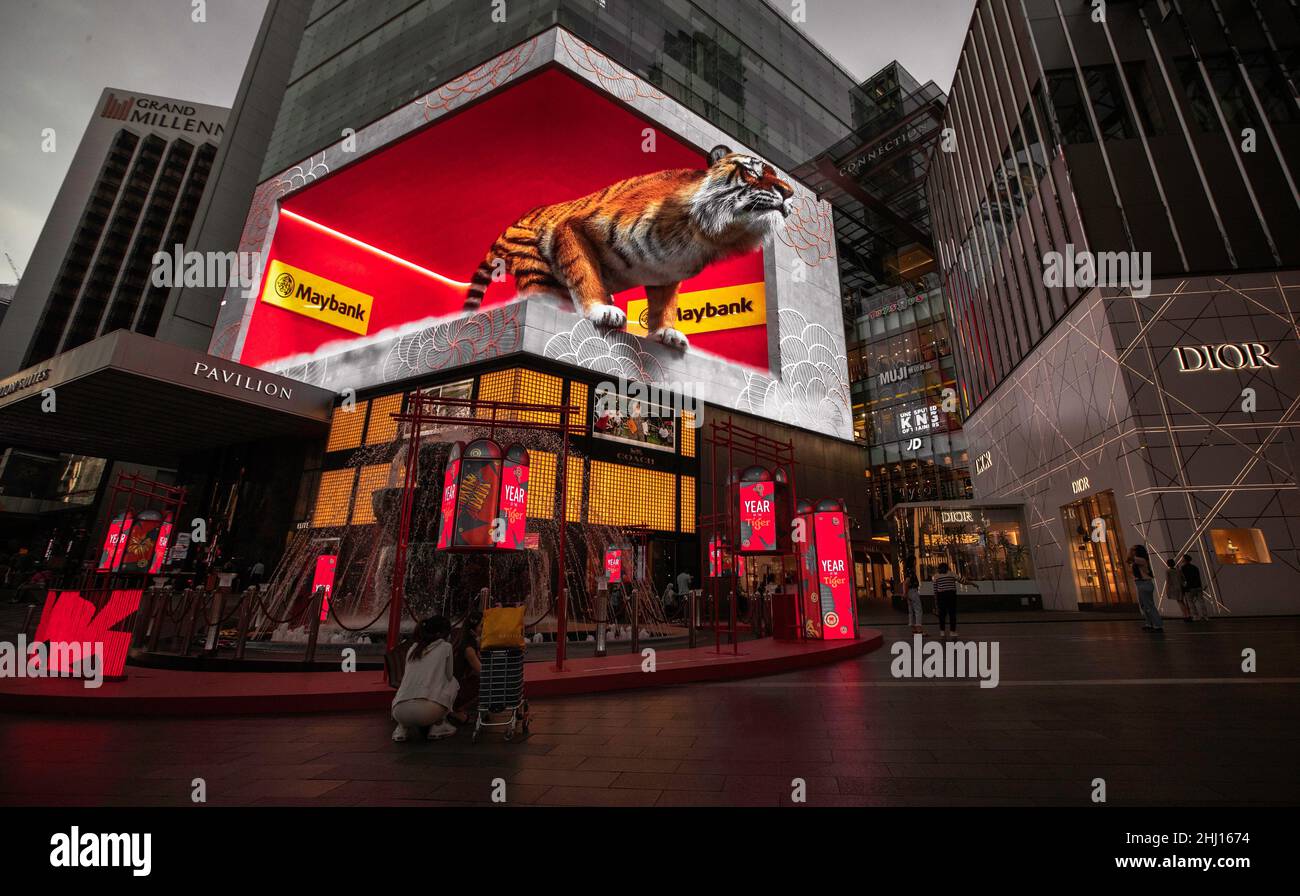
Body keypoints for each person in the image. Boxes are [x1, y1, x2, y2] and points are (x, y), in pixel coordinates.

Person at [391, 616, 458, 741]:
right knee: (453, 682)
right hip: (428, 712)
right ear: (443, 633)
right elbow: (449, 675)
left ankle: (401, 728)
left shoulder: (413, 649)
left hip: (398, 712)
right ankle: (439, 725)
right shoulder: (446, 647)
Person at [450, 611, 483, 725]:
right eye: (481, 626)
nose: (483, 629)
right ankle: (455, 710)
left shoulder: (463, 640)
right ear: (472, 629)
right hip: (457, 688)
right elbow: (481, 671)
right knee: (484, 683)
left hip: (455, 684)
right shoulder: (468, 648)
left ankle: (457, 709)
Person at [932, 562, 977, 639]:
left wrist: (936, 601)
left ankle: (942, 632)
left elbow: (935, 590)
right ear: (947, 568)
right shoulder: (952, 574)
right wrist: (972, 583)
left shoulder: (936, 576)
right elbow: (962, 581)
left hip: (941, 596)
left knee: (942, 615)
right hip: (951, 595)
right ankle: (952, 631)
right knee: (952, 614)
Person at [1128, 545, 1162, 632]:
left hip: (1144, 583)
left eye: (1134, 550)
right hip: (1140, 584)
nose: (1133, 551)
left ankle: (1157, 625)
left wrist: (1131, 550)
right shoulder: (1138, 560)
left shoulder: (1141, 560)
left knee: (1149, 605)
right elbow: (1128, 560)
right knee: (1144, 605)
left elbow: (1129, 558)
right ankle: (1149, 623)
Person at [1180, 554, 1208, 621]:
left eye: (1182, 558)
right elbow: (1198, 577)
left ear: (1184, 560)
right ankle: (1205, 616)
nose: (1181, 559)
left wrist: (1184, 587)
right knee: (1201, 602)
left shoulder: (1183, 568)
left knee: (1191, 603)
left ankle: (1195, 616)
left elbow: (1182, 579)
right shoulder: (1195, 567)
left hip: (1189, 588)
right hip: (1198, 586)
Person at [904, 570, 922, 634]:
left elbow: (905, 583)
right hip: (913, 591)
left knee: (911, 611)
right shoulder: (911, 572)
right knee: (918, 610)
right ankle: (918, 628)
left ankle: (913, 628)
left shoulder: (907, 571)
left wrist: (905, 593)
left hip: (909, 592)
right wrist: (905, 594)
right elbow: (906, 582)